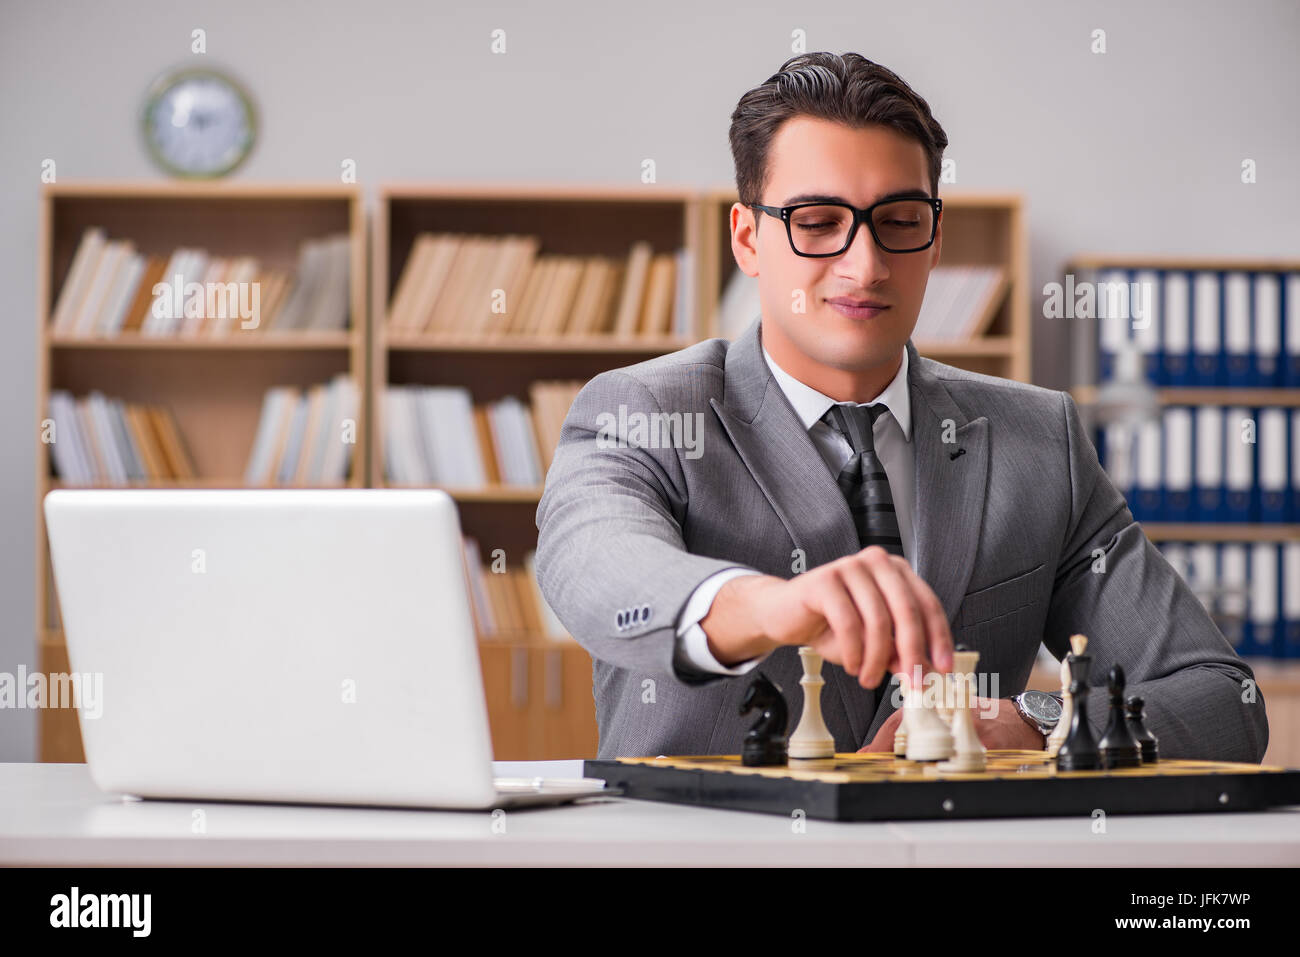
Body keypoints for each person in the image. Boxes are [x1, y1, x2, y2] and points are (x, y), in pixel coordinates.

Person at [534, 51, 1268, 763]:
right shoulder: (644, 411)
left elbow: (1220, 699)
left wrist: (1032, 721)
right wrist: (763, 606)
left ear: (935, 237)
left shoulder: (1039, 440)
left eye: (899, 219)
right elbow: (597, 573)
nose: (866, 264)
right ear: (749, 238)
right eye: (818, 221)